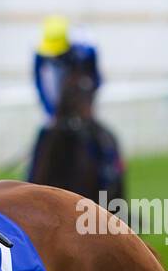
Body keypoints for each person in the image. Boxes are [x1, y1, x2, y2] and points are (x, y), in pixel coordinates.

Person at [26, 15, 109, 181]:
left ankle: (109, 173)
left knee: (100, 136)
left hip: (80, 96)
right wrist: (51, 113)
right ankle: (31, 179)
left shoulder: (85, 48)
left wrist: (85, 109)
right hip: (57, 92)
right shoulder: (40, 53)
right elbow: (40, 84)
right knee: (44, 134)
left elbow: (96, 80)